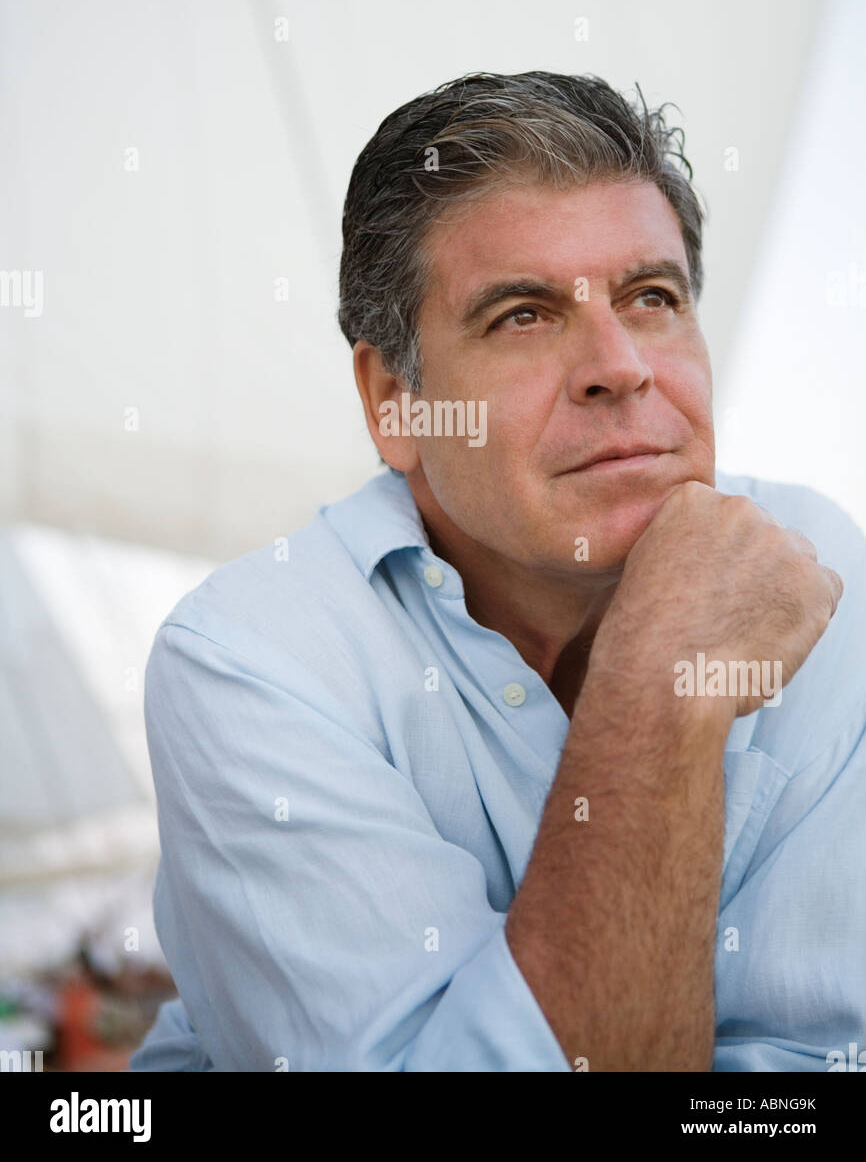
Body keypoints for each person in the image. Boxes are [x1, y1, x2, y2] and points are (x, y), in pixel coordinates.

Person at [130, 72, 863, 1073]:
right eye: (523, 314)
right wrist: (657, 686)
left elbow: (816, 1059)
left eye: (651, 297)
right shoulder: (251, 658)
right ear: (395, 402)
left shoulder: (820, 568)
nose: (619, 365)